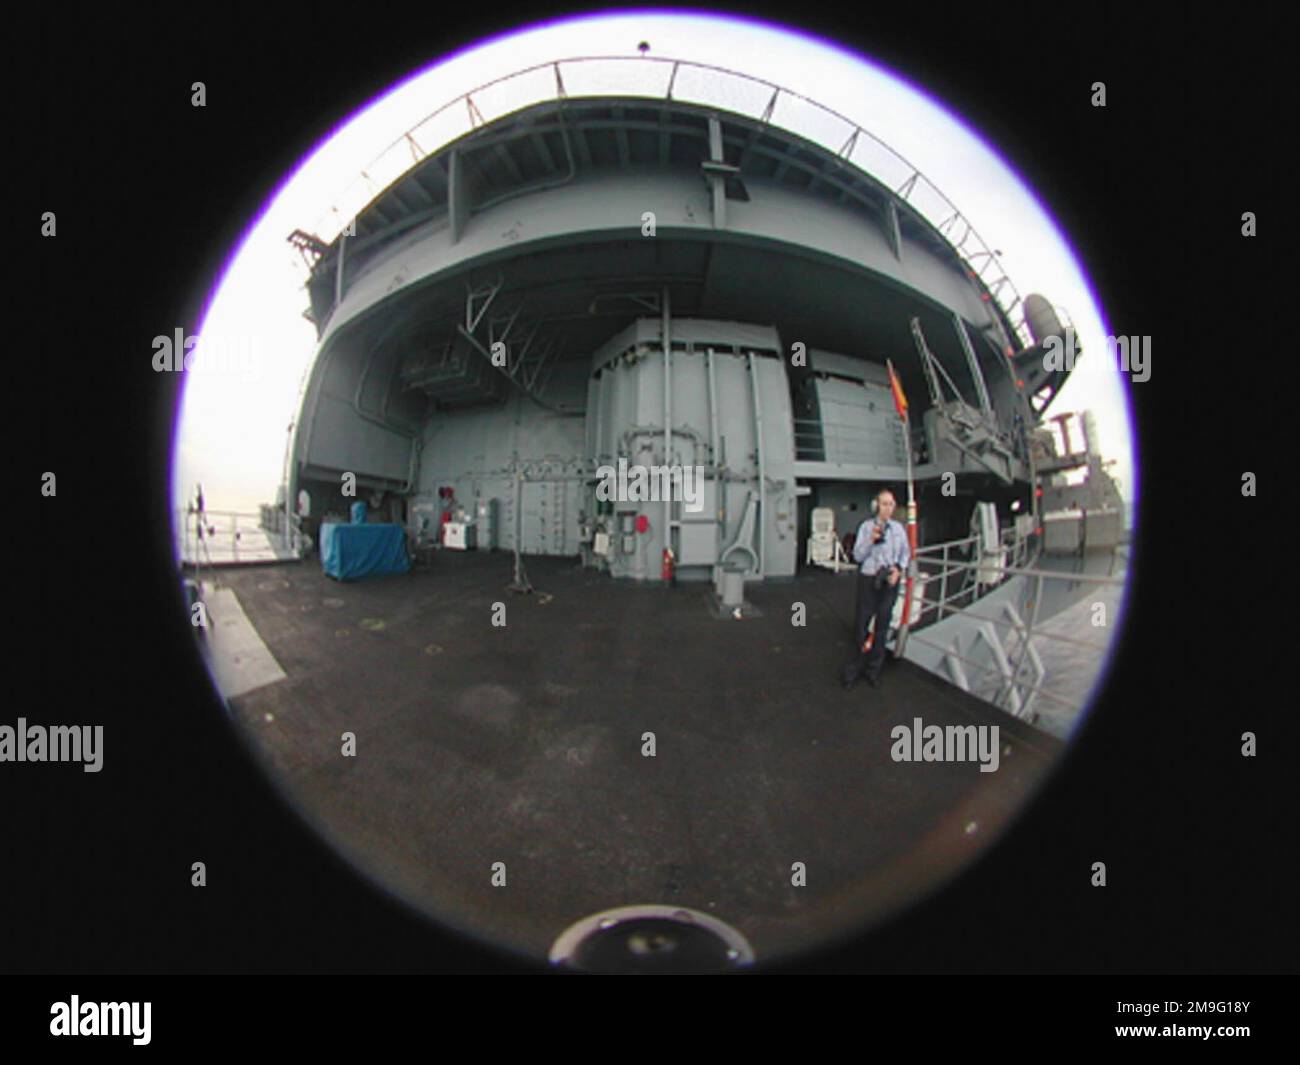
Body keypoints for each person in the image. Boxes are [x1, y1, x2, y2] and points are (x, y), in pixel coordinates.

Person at [841, 489, 910, 691]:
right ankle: (853, 670)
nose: (887, 508)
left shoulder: (898, 529)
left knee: (882, 627)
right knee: (861, 626)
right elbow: (858, 556)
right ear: (876, 506)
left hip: (889, 581)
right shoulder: (866, 527)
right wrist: (870, 540)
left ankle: (873, 671)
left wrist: (898, 569)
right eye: (884, 504)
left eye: (890, 504)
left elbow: (905, 553)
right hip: (869, 579)